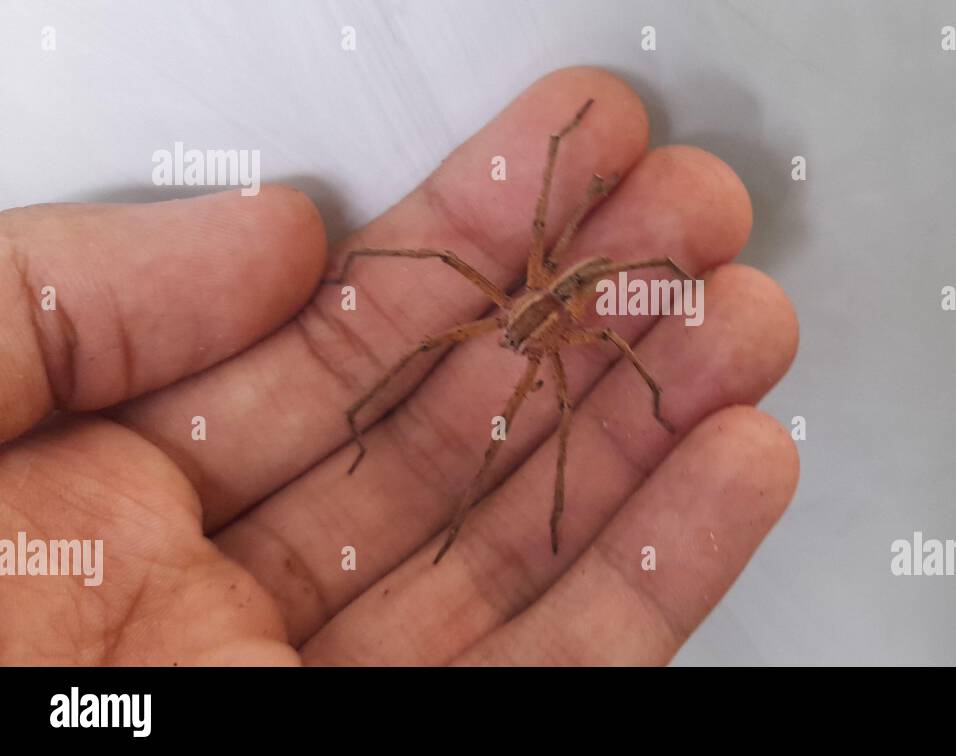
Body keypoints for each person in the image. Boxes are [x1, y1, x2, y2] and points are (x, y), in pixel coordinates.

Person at [0, 67, 799, 665]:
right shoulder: (508, 297)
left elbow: (610, 341)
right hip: (535, 295)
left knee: (551, 418)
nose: (509, 342)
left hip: (567, 311)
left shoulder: (552, 351)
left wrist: (650, 363)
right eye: (510, 328)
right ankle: (365, 431)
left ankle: (510, 515)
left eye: (515, 334)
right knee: (436, 301)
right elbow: (444, 252)